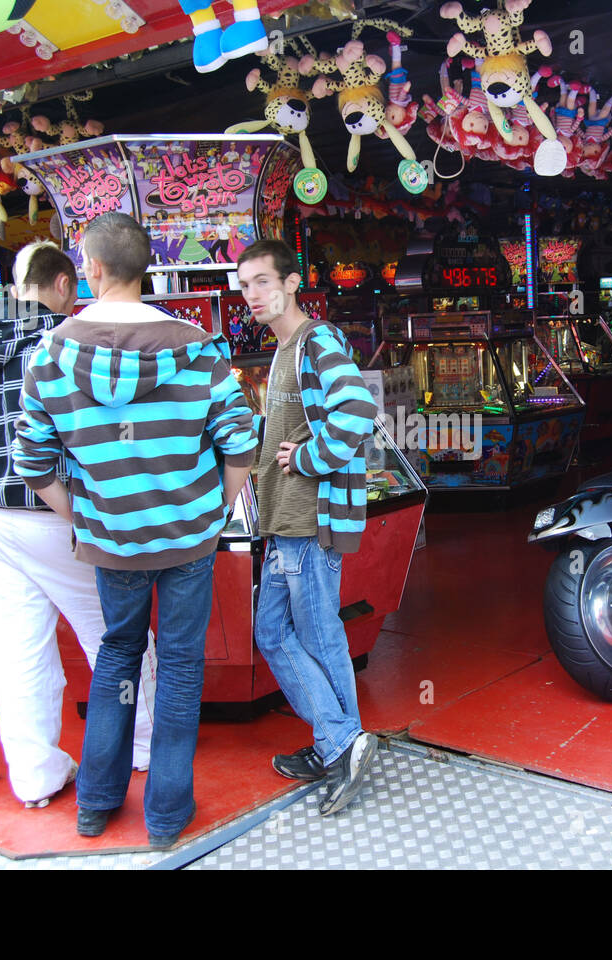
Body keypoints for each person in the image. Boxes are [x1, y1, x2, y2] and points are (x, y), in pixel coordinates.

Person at [15, 213, 256, 848]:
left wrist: (83, 518)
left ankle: (95, 803)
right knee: (179, 666)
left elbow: (32, 462)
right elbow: (240, 443)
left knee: (118, 658)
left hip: (109, 540)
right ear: (144, 266)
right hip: (187, 541)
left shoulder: (50, 354)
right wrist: (211, 514)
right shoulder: (199, 347)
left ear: (90, 269)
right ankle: (167, 816)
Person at [0, 242, 157, 810]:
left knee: (17, 651)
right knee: (116, 636)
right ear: (64, 283)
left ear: (17, 286)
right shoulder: (71, 344)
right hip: (62, 516)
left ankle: (34, 775)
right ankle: (144, 745)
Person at [237, 239, 380, 816]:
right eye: (244, 284)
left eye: (263, 282)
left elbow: (357, 408)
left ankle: (339, 744)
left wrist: (310, 457)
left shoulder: (313, 339)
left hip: (306, 516)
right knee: (272, 631)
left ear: (292, 283)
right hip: (283, 520)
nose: (251, 295)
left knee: (318, 633)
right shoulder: (284, 349)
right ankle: (339, 741)